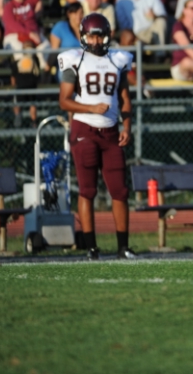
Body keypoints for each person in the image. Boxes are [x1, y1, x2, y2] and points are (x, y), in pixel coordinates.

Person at [57, 15, 135, 260]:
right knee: (87, 190)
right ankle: (91, 248)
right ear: (83, 35)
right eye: (92, 35)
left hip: (111, 130)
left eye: (100, 35)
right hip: (85, 129)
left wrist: (127, 126)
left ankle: (123, 247)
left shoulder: (118, 59)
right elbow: (64, 101)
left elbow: (125, 98)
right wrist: (90, 109)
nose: (97, 40)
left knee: (120, 191)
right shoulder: (76, 59)